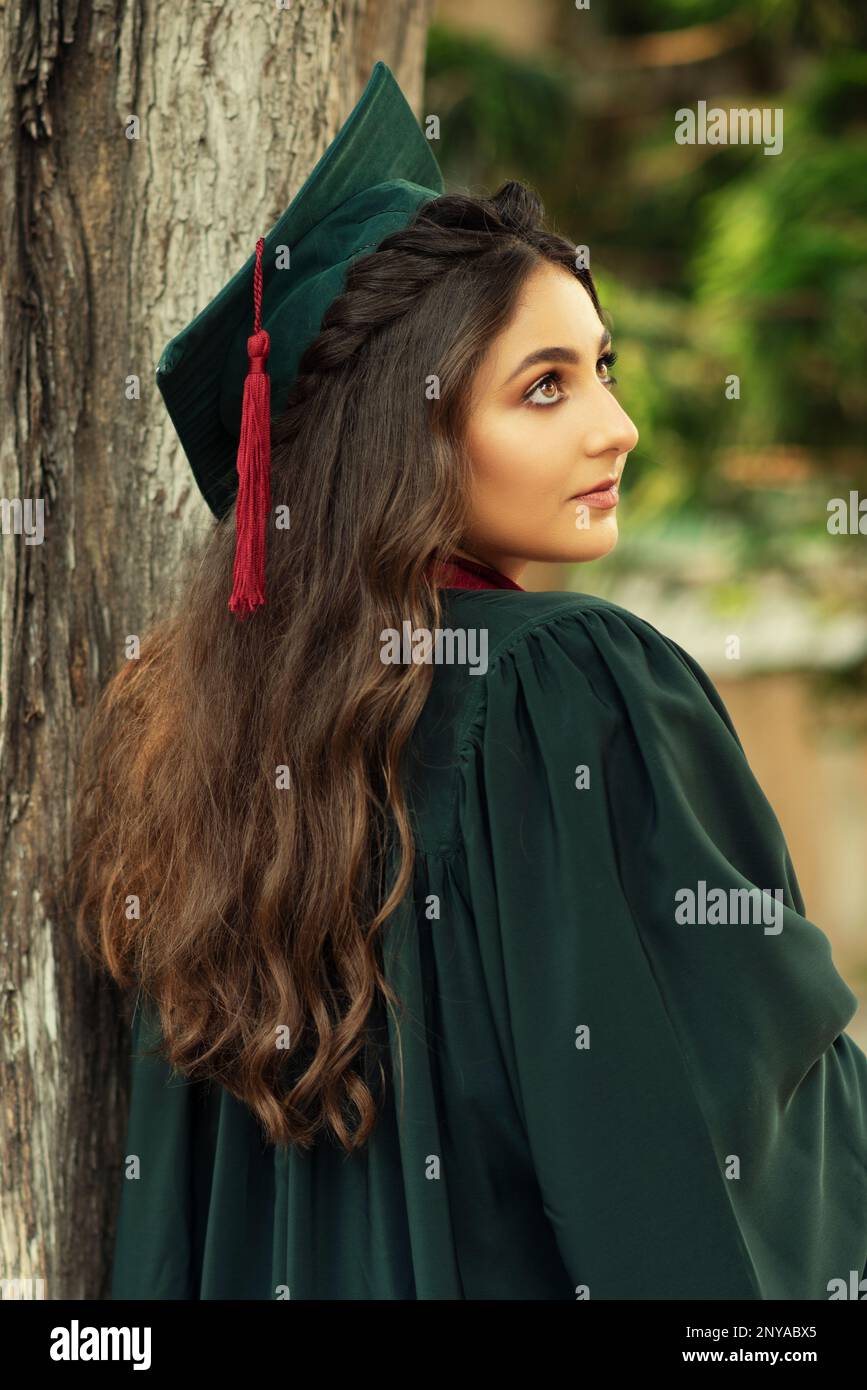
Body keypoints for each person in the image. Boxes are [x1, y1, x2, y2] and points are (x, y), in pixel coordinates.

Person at [66, 62, 867, 1300]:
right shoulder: (568, 682)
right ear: (410, 433)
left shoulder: (201, 740)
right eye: (545, 386)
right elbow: (716, 1129)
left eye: (604, 369)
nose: (616, 427)